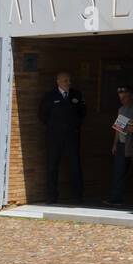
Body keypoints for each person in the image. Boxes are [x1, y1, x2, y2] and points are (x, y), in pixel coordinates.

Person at [38, 71, 86, 204]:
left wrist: (75, 126)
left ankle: (77, 196)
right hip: (54, 138)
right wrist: (54, 127)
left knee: (75, 167)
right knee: (52, 166)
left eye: (69, 80)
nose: (68, 83)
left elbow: (82, 112)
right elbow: (43, 115)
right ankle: (52, 196)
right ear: (58, 81)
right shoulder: (50, 96)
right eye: (65, 80)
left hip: (71, 137)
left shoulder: (76, 95)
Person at [105, 84, 133, 206]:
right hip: (122, 143)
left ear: (131, 96)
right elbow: (118, 129)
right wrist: (115, 144)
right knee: (118, 171)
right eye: (120, 98)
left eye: (125, 97)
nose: (122, 100)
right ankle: (116, 198)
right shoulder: (121, 109)